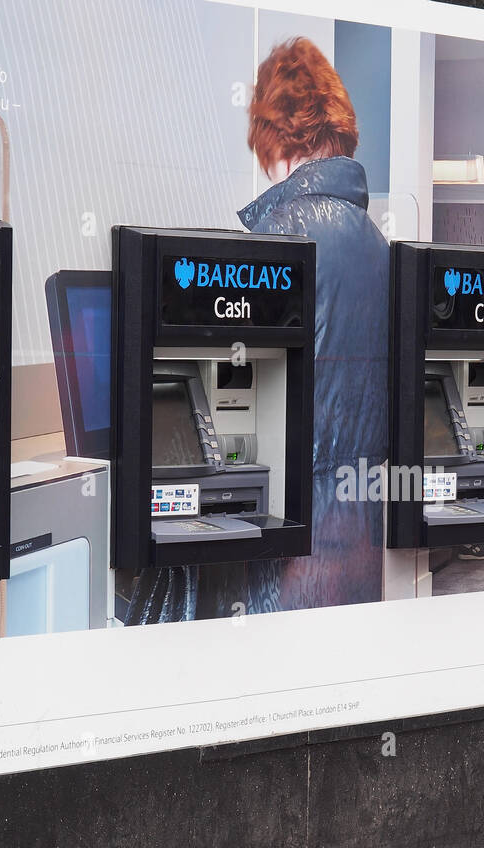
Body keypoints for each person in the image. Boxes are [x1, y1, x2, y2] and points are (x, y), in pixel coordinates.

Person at [135, 37, 390, 623]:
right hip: (362, 530)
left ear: (272, 135)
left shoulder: (279, 240)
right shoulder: (378, 246)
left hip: (287, 541)